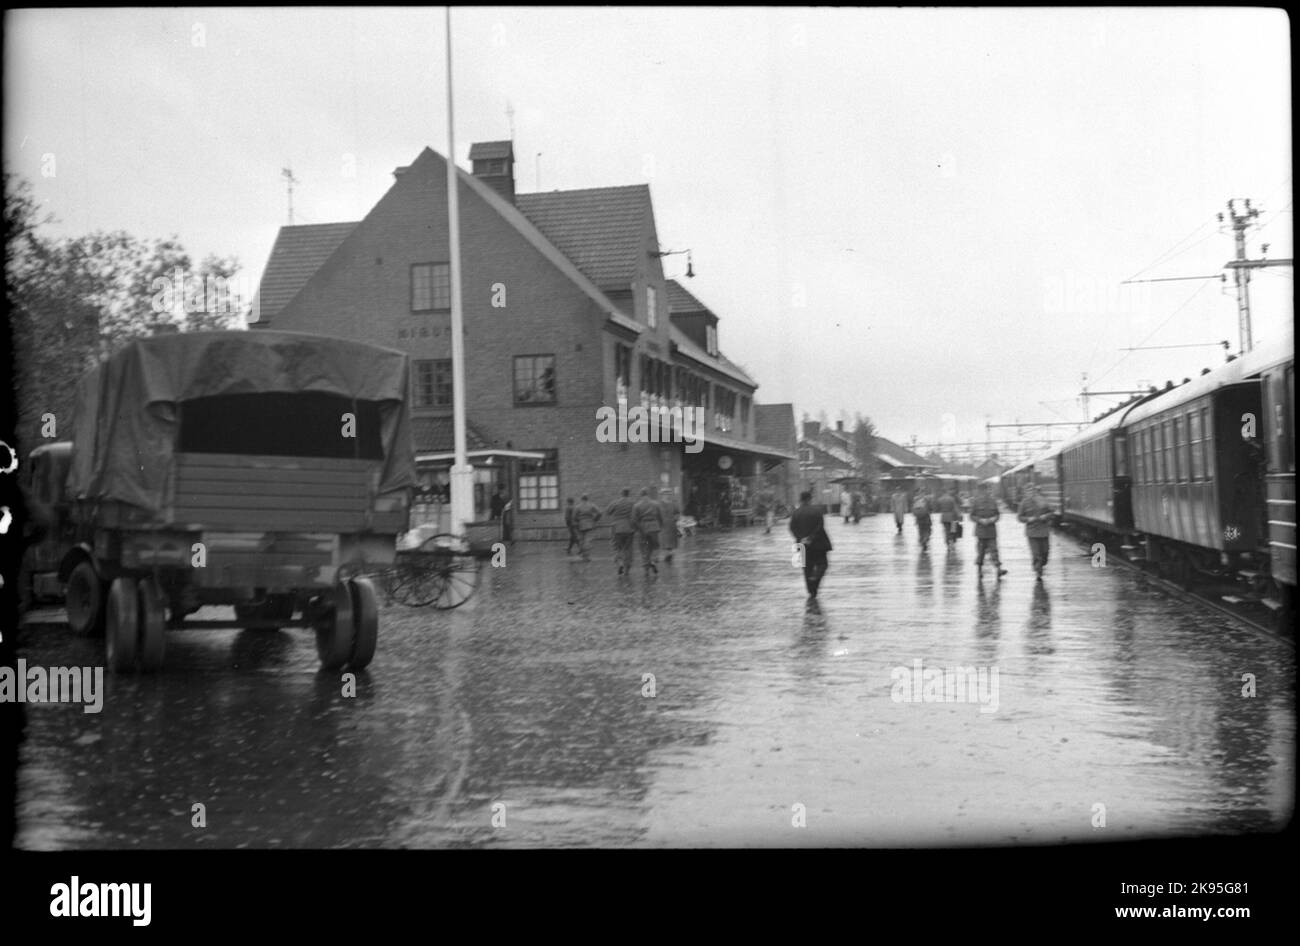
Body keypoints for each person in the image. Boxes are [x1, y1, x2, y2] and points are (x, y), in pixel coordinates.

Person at [790, 491, 832, 599]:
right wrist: (811, 537)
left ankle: (811, 592)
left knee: (806, 568)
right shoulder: (817, 511)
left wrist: (801, 538)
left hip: (802, 545)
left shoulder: (796, 513)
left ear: (801, 499)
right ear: (810, 499)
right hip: (818, 544)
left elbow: (792, 528)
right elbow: (820, 526)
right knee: (823, 564)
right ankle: (816, 578)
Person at [1017, 484, 1055, 580]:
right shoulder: (1024, 503)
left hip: (1044, 531)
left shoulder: (1043, 501)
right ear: (1026, 493)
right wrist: (1028, 519)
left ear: (1035, 492)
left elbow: (1052, 512)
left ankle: (1041, 565)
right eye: (1028, 491)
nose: (1030, 493)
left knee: (1045, 553)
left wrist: (1045, 516)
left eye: (1032, 491)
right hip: (1032, 533)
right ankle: (1038, 571)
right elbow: (1019, 517)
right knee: (1036, 553)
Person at [970, 482, 1007, 579]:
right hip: (981, 531)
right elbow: (971, 516)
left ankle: (998, 569)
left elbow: (998, 515)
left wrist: (992, 519)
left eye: (986, 490)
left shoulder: (993, 501)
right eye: (982, 491)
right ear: (979, 491)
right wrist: (980, 520)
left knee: (994, 550)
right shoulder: (975, 502)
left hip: (991, 531)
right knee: (981, 552)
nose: (985, 493)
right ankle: (979, 571)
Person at [632, 487, 664, 575]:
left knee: (644, 547)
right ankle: (654, 560)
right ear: (648, 494)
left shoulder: (637, 505)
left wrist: (638, 529)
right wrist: (660, 526)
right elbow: (660, 517)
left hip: (643, 528)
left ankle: (646, 568)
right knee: (655, 546)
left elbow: (634, 520)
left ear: (640, 495)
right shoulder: (656, 504)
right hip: (654, 527)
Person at [605, 488, 637, 575]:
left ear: (621, 493)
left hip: (617, 528)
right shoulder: (632, 503)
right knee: (628, 548)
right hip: (629, 528)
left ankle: (620, 563)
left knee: (617, 547)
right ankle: (627, 568)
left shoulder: (615, 502)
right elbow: (636, 515)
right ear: (629, 494)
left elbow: (608, 511)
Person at [573, 494, 601, 561]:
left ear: (581, 499)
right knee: (588, 540)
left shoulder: (578, 507)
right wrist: (595, 519)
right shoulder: (592, 505)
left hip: (580, 524)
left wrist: (578, 520)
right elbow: (599, 513)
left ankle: (583, 554)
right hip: (590, 524)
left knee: (581, 540)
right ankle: (587, 555)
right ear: (587, 499)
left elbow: (574, 517)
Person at [658, 487, 680, 562]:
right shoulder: (659, 504)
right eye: (665, 494)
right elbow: (656, 514)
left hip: (671, 525)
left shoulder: (673, 504)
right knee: (664, 541)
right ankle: (668, 555)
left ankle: (669, 555)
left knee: (671, 542)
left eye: (668, 494)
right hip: (663, 525)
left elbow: (677, 513)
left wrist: (675, 519)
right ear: (662, 495)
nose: (667, 495)